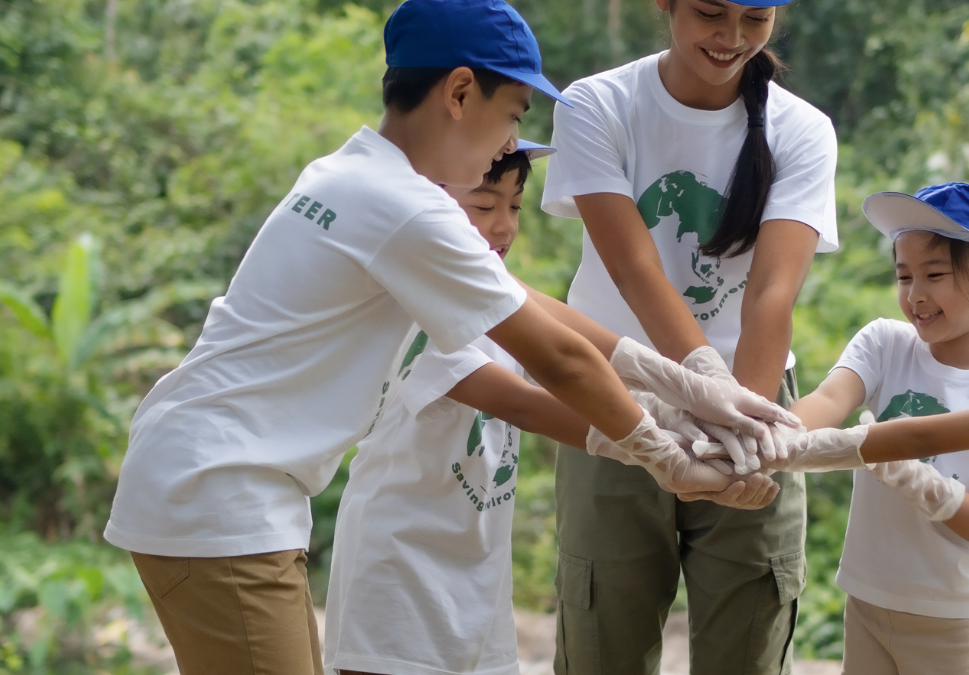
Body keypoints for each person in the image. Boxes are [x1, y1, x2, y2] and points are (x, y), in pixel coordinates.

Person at [101, 2, 791, 673]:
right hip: (218, 489)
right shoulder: (407, 209)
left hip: (218, 480)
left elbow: (532, 307)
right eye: (514, 114)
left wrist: (692, 385)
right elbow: (552, 356)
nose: (508, 144)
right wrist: (659, 452)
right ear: (461, 91)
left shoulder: (355, 174)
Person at [321, 144, 781, 675]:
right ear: (429, 209)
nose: (503, 227)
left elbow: (576, 342)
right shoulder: (408, 303)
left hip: (475, 567)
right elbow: (522, 402)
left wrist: (687, 395)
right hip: (397, 564)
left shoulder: (493, 301)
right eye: (483, 205)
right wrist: (666, 448)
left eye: (514, 207)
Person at [539, 0, 839, 671]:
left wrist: (747, 440)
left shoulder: (802, 130)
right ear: (665, 4)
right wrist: (709, 390)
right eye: (710, 12)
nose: (732, 38)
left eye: (756, 20)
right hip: (616, 398)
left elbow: (770, 294)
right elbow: (635, 270)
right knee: (602, 638)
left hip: (758, 406)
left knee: (749, 643)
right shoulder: (597, 105)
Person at [758, 188, 969, 667]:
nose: (915, 294)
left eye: (934, 274)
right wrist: (767, 435)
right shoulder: (886, 343)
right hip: (868, 602)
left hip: (960, 624)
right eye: (904, 276)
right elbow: (826, 402)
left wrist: (932, 489)